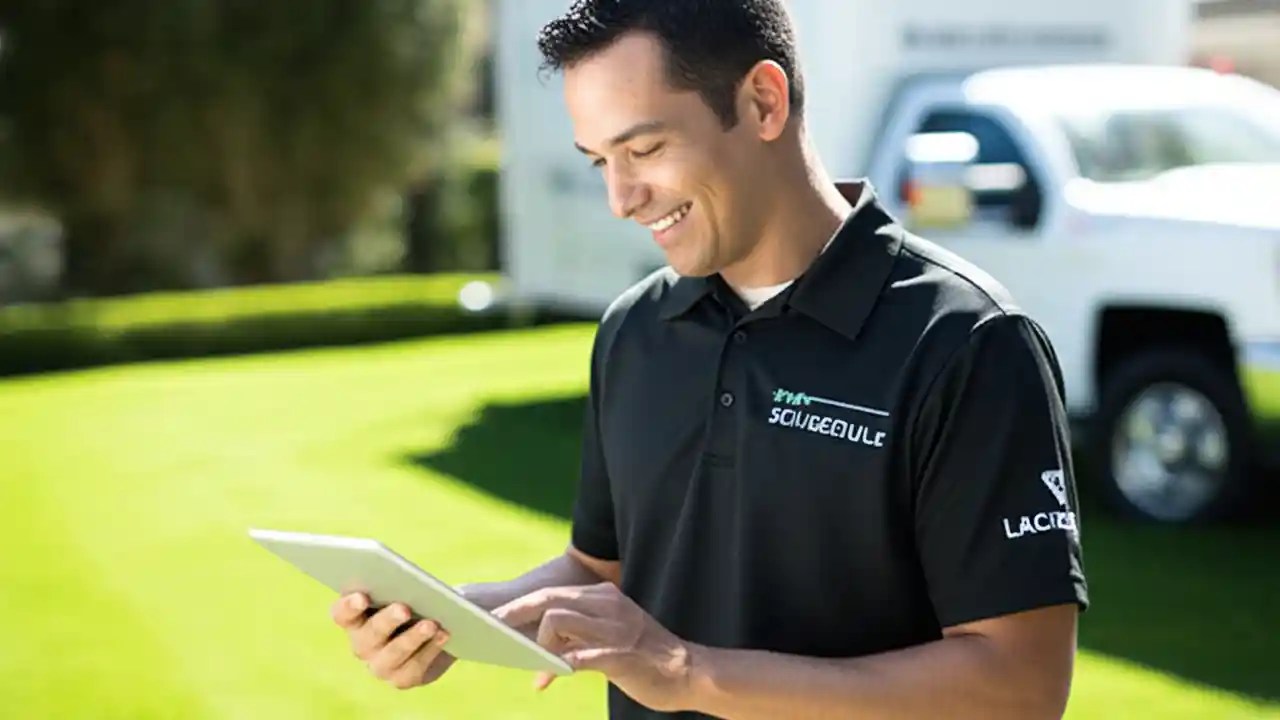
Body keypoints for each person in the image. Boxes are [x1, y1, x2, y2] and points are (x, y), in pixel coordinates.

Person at [330, 1, 1089, 718]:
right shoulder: (636, 330)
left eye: (645, 148)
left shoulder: (968, 344)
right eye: (600, 161)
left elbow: (1018, 684)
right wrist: (455, 622)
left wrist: (688, 672)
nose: (622, 199)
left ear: (763, 101)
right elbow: (603, 571)